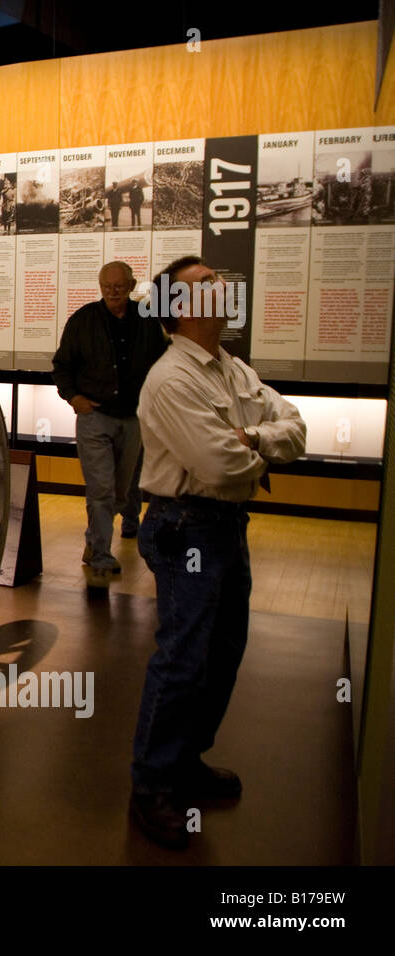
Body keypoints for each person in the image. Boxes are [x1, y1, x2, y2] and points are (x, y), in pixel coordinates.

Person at [128, 255, 306, 849]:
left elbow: (295, 428)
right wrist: (255, 451)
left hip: (224, 523)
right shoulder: (172, 379)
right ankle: (151, 785)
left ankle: (185, 761)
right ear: (177, 310)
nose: (222, 286)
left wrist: (253, 436)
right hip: (187, 529)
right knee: (184, 657)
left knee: (225, 649)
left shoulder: (230, 369)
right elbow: (219, 464)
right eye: (205, 284)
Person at [52, 261, 168, 589]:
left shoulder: (146, 320)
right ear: (100, 286)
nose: (112, 292)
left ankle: (94, 540)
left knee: (119, 489)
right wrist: (73, 398)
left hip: (132, 419)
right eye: (106, 286)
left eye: (119, 286)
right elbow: (61, 366)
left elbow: (163, 362)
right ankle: (101, 553)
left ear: (131, 286)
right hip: (95, 418)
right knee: (101, 488)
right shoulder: (83, 321)